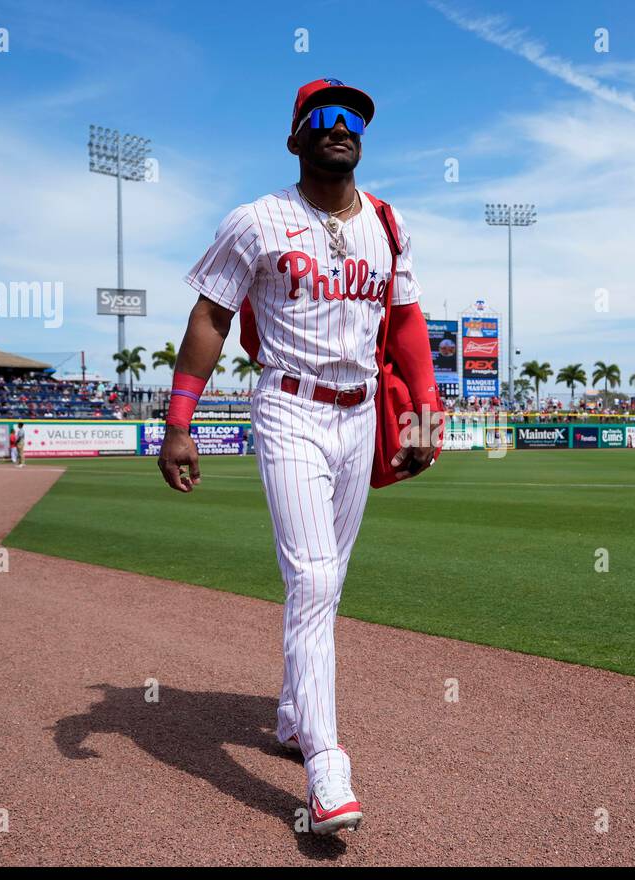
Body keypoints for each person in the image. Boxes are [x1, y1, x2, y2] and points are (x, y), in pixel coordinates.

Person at [157, 78, 439, 837]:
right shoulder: (258, 221)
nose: (340, 126)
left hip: (359, 420)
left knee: (330, 579)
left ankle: (289, 714)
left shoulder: (386, 221)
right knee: (312, 577)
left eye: (354, 118)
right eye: (323, 116)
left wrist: (428, 410)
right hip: (287, 406)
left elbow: (407, 321)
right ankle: (325, 763)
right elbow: (211, 315)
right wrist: (178, 421)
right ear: (296, 137)